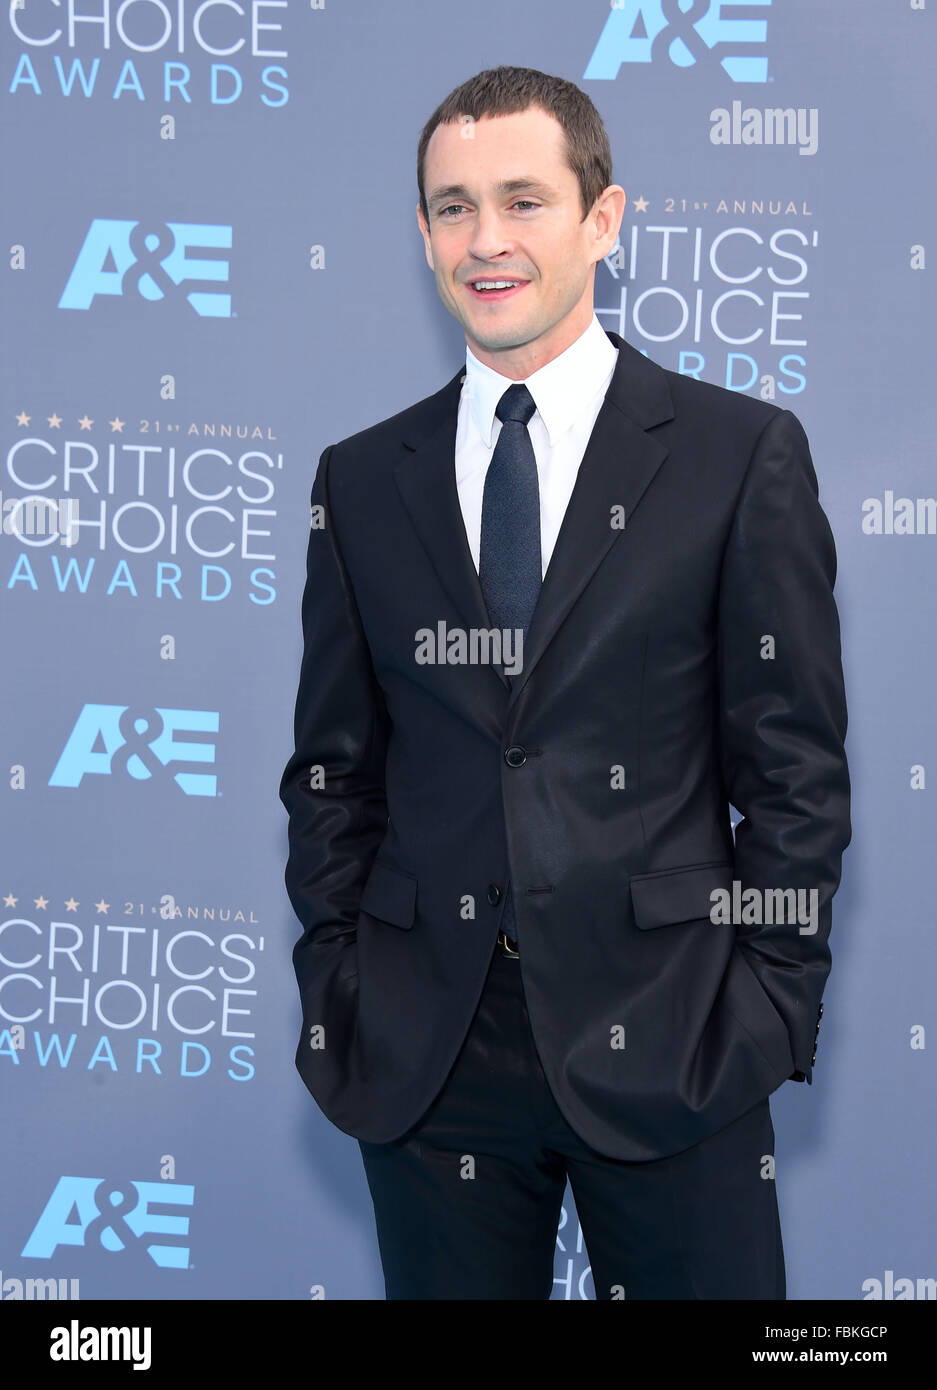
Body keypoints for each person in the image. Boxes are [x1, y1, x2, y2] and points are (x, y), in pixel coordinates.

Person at [278, 65, 851, 1300]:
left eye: (523, 200)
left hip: (677, 1037)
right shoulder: (363, 478)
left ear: (602, 218)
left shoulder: (736, 456)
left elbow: (794, 770)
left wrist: (766, 1012)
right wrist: (342, 980)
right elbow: (333, 768)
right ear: (422, 234)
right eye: (451, 206)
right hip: (429, 1058)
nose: (487, 239)